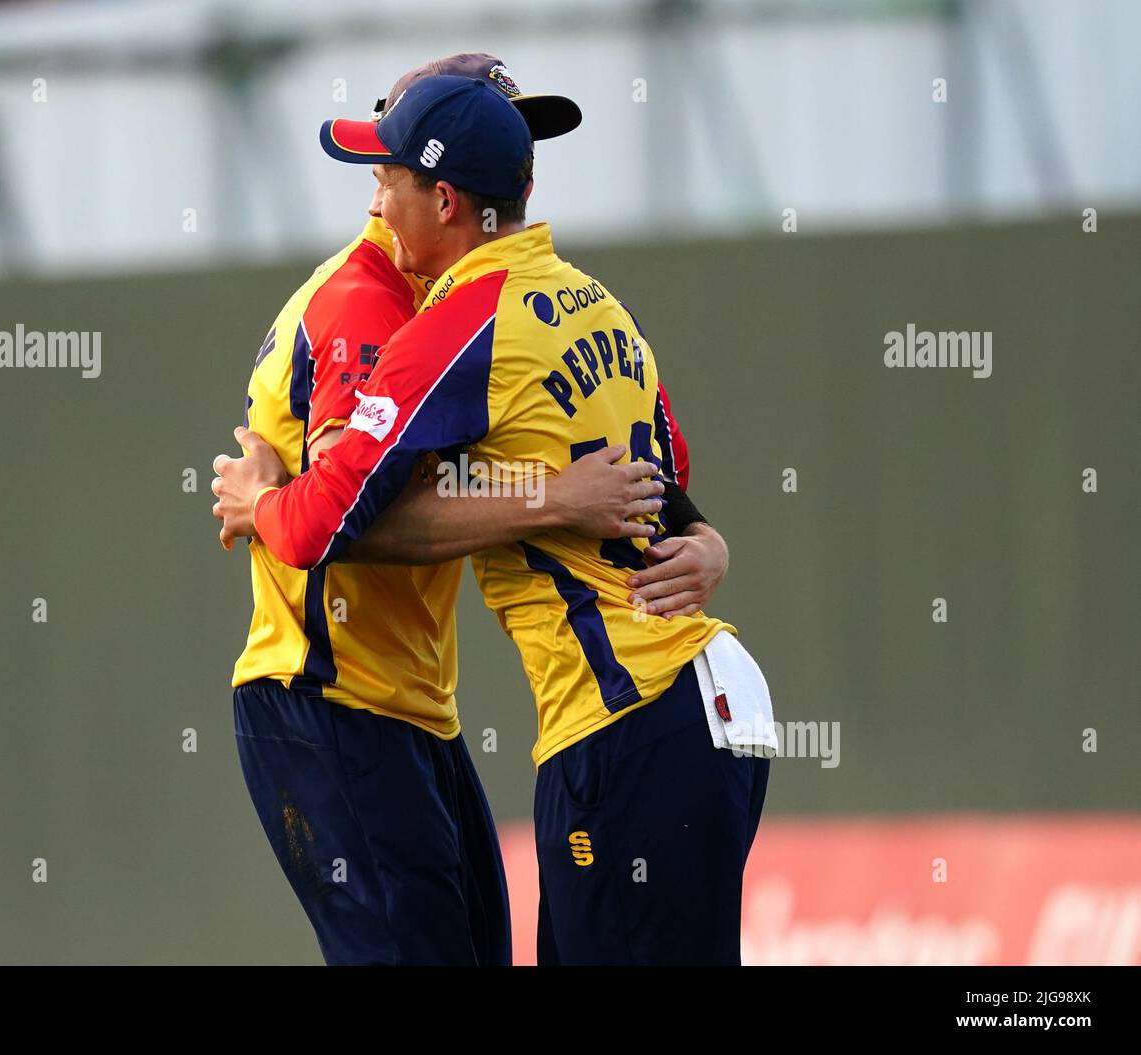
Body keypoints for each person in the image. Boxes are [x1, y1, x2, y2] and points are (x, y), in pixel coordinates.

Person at [214, 74, 775, 965]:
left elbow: (325, 519)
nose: (377, 196)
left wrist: (261, 502)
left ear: (444, 196)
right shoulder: (595, 300)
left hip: (622, 713)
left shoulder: (461, 317)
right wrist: (683, 532)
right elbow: (658, 477)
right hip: (693, 697)